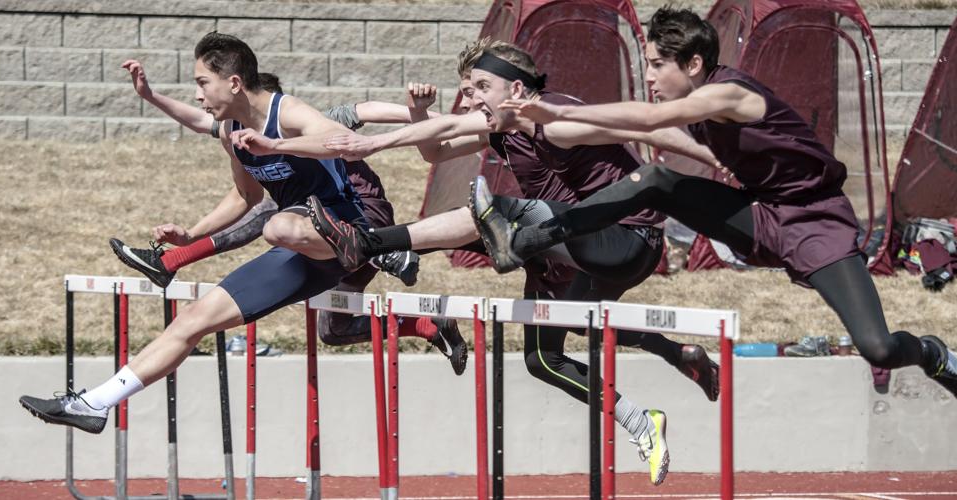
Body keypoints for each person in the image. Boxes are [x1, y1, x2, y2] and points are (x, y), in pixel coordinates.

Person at [279, 38, 726, 485]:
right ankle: (646, 412)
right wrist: (414, 113)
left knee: (488, 213)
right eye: (466, 90)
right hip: (556, 242)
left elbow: (647, 126)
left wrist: (717, 161)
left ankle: (371, 243)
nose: (468, 100)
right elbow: (435, 147)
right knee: (544, 358)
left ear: (514, 89)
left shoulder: (556, 120)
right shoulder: (498, 126)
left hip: (618, 237)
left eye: (477, 89)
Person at [471, 7, 957, 399]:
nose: (650, 75)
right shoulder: (704, 99)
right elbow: (633, 127)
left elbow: (653, 118)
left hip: (815, 223)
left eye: (657, 64)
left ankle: (933, 353)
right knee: (657, 180)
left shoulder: (726, 93)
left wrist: (553, 109)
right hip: (759, 214)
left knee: (878, 346)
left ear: (694, 64)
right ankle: (537, 235)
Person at [17, 33, 466, 439]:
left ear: (233, 83)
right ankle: (94, 403)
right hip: (307, 253)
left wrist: (276, 145)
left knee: (278, 225)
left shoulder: (284, 111)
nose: (198, 93)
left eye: (202, 82)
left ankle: (375, 250)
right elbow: (244, 196)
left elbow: (338, 138)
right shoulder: (232, 133)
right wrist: (189, 232)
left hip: (351, 222)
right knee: (192, 319)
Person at [108, 60, 464, 365]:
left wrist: (443, 120)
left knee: (270, 214)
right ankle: (429, 326)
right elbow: (203, 123)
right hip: (313, 231)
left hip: (361, 213)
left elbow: (369, 109)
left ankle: (384, 251)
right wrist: (150, 96)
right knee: (333, 330)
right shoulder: (239, 133)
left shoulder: (309, 122)